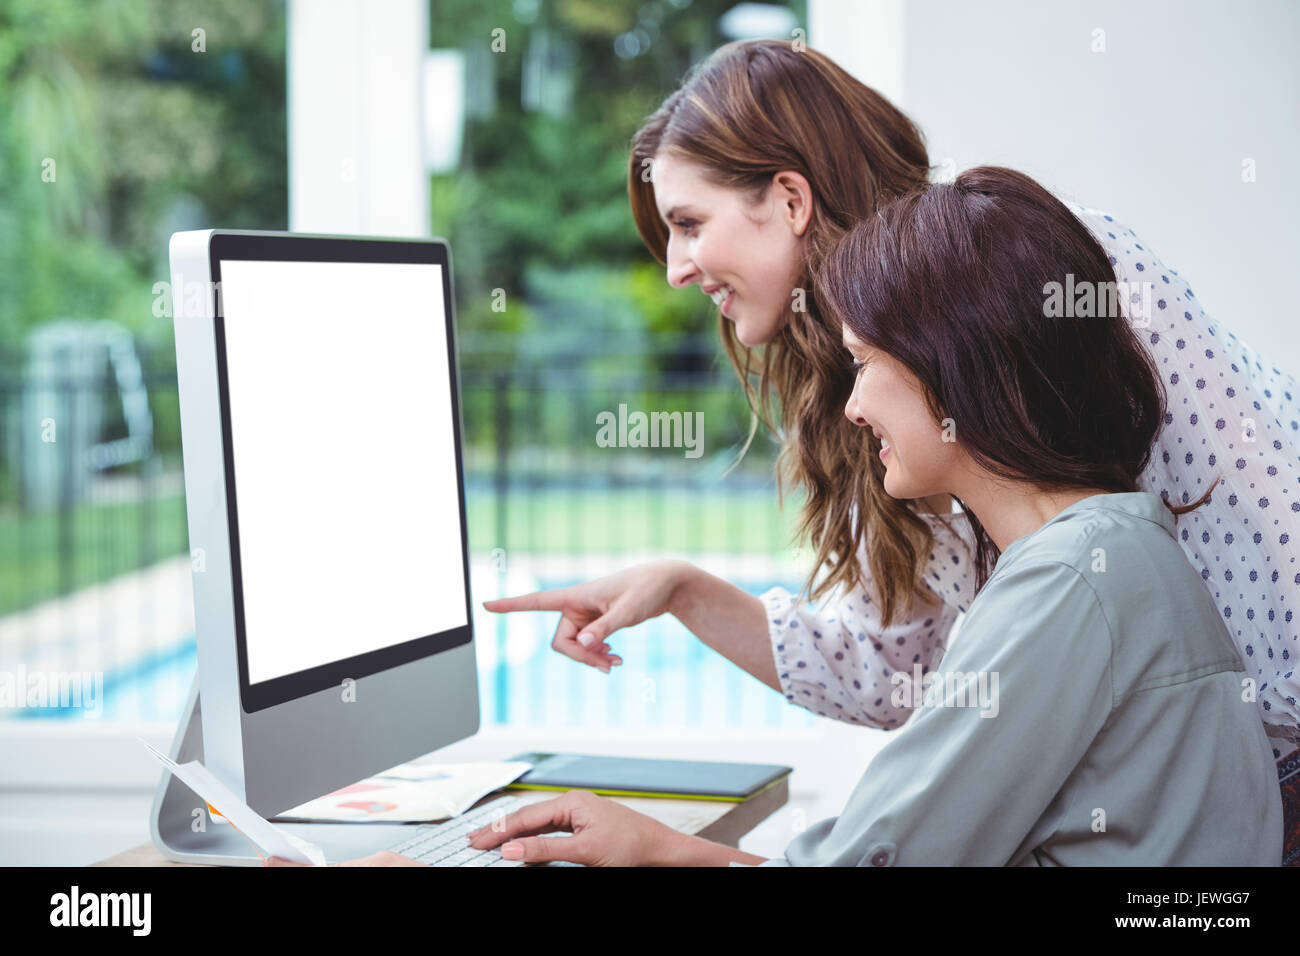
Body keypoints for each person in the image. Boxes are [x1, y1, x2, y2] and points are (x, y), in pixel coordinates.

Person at [284, 167, 1281, 866]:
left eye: (869, 365)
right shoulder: (1110, 552)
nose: (851, 405)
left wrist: (659, 848)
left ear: (954, 372)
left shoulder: (1071, 583)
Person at [482, 39, 1300, 859]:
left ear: (791, 198)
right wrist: (685, 591)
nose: (675, 268)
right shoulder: (968, 480)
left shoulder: (1045, 283)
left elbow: (1273, 511)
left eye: (690, 224)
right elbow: (901, 676)